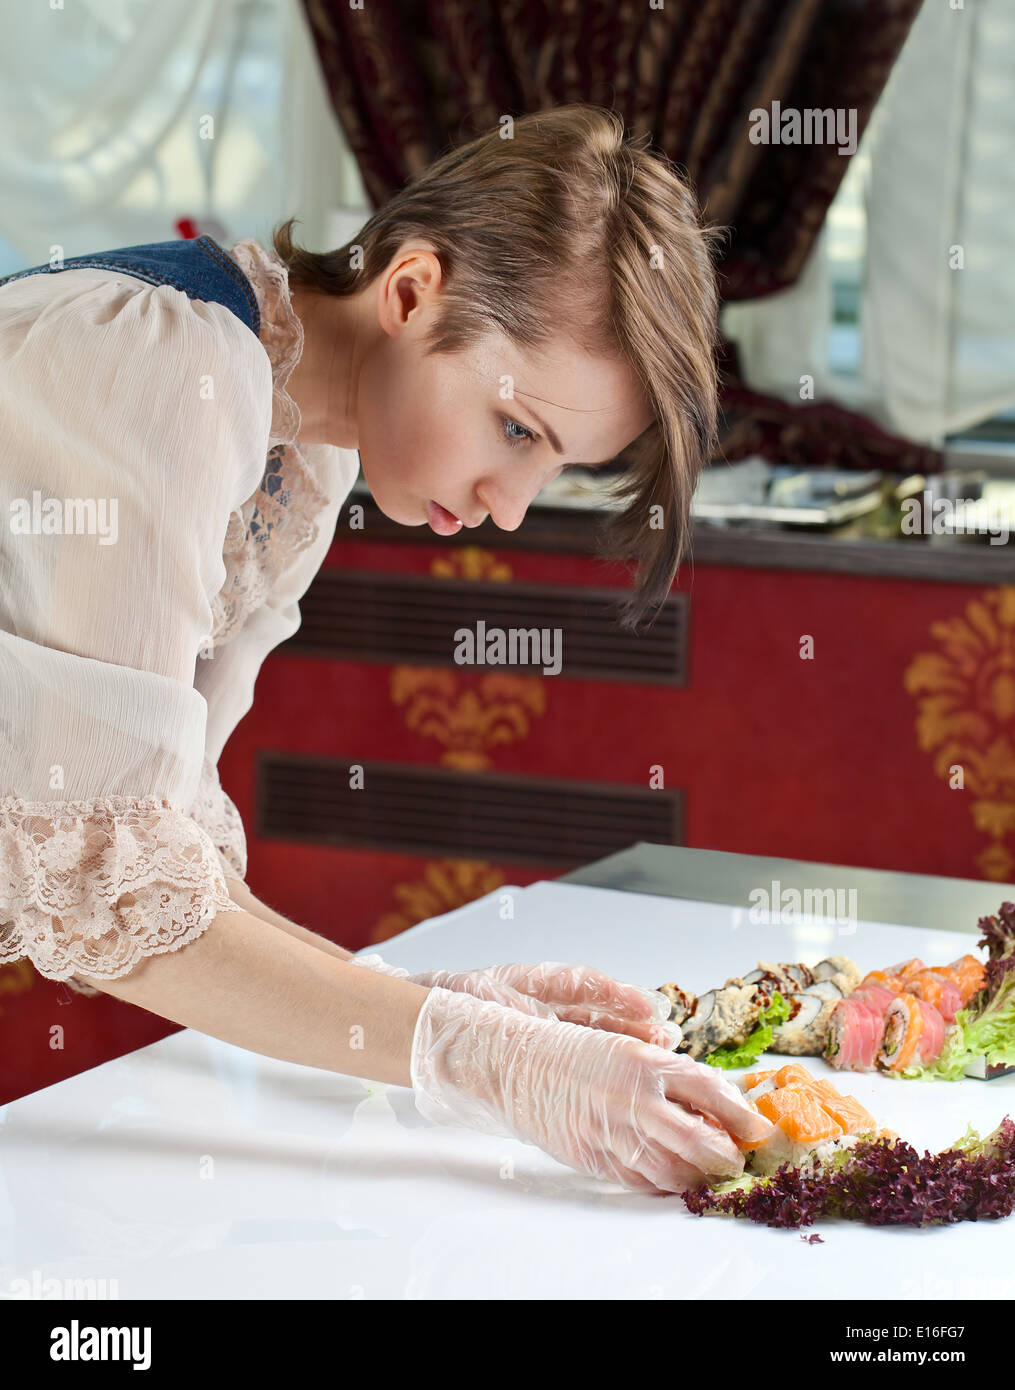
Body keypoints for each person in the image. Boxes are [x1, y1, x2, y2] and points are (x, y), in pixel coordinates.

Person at [0, 104, 773, 1193]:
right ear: (411, 291)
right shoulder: (174, 368)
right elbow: (100, 892)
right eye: (518, 431)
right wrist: (474, 1056)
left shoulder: (301, 459)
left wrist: (436, 1010)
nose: (511, 508)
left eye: (554, 467)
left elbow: (160, 871)